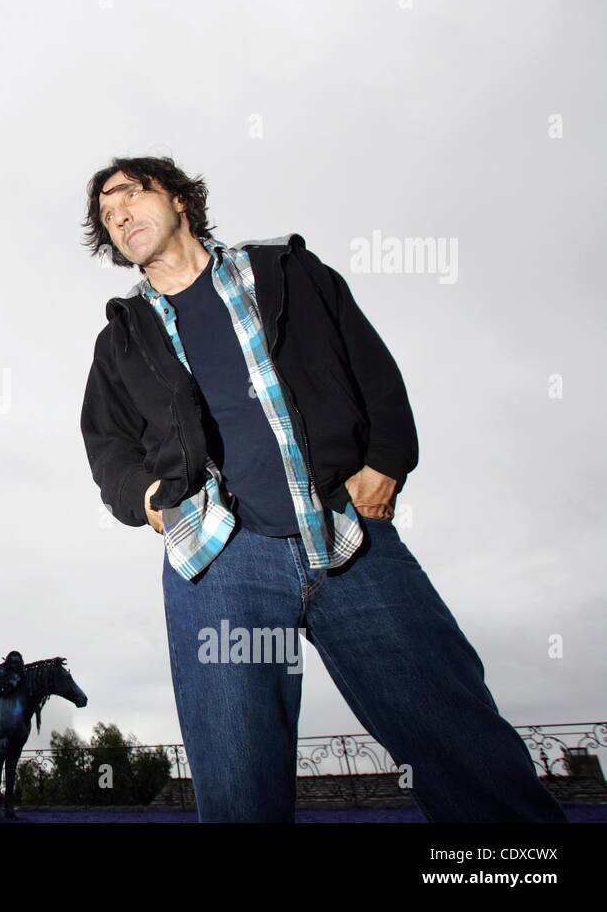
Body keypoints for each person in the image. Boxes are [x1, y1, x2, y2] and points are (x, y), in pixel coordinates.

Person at [78, 156, 566, 822]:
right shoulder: (123, 338)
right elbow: (106, 441)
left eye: (131, 194)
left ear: (180, 199)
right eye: (107, 214)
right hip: (221, 564)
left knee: (465, 748)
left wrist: (388, 458)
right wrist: (145, 502)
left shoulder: (286, 272)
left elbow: (370, 362)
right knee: (239, 791)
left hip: (348, 535)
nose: (120, 213)